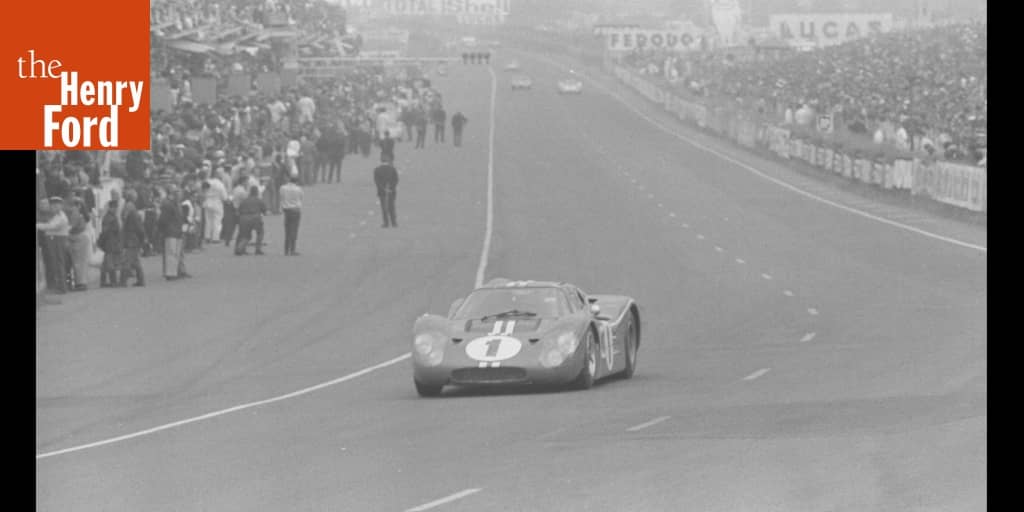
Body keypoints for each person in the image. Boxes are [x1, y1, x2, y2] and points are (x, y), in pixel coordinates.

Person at [36, 197, 70, 294]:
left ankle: (62, 287)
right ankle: (60, 286)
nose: (53, 207)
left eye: (55, 206)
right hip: (55, 240)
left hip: (58, 241)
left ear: (60, 206)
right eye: (53, 205)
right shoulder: (57, 215)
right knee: (57, 264)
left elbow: (51, 226)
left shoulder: (61, 217)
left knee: (59, 263)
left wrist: (37, 225)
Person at [158, 186, 190, 280]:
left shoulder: (176, 205)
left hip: (177, 231)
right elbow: (163, 219)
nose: (179, 197)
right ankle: (170, 273)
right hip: (171, 231)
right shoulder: (169, 205)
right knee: (171, 253)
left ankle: (174, 272)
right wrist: (163, 229)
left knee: (175, 253)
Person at [66, 196, 91, 291]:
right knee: (82, 262)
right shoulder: (83, 213)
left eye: (72, 204)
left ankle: (80, 284)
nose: (71, 207)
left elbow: (71, 226)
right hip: (83, 237)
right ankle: (82, 283)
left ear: (78, 205)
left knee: (77, 262)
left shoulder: (75, 212)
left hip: (77, 238)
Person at [120, 200, 146, 287]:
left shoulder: (132, 216)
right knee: (135, 262)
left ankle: (122, 281)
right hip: (133, 241)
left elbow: (139, 229)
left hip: (132, 241)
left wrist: (142, 240)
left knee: (127, 261)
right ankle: (141, 280)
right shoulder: (132, 215)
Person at [235, 186, 267, 256]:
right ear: (257, 192)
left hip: (243, 218)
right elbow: (264, 211)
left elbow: (239, 211)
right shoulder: (259, 200)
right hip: (255, 218)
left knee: (246, 236)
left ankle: (240, 248)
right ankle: (257, 249)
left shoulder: (244, 200)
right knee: (260, 232)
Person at [97, 200, 122, 287]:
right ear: (111, 207)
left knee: (105, 264)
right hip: (110, 242)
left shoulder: (110, 216)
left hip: (110, 242)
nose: (115, 209)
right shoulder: (109, 218)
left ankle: (103, 282)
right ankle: (113, 281)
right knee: (110, 263)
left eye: (116, 207)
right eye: (114, 207)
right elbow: (106, 231)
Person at [280, 176, 303, 255]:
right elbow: (300, 198)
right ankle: (292, 249)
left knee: (287, 230)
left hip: (286, 211)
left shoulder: (283, 188)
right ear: (296, 182)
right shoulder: (298, 189)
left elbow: (281, 197)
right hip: (295, 210)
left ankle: (286, 250)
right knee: (294, 231)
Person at [373, 155, 399, 228]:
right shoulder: (392, 169)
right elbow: (396, 180)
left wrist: (383, 188)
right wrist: (391, 187)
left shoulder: (377, 170)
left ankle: (386, 223)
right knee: (392, 206)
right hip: (391, 191)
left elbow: (377, 182)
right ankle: (394, 222)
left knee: (384, 207)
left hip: (382, 192)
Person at [203, 172, 227, 244]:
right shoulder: (220, 184)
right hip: (217, 202)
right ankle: (215, 238)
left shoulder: (207, 181)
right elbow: (224, 197)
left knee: (208, 221)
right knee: (217, 221)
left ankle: (207, 237)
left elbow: (203, 191)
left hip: (207, 201)